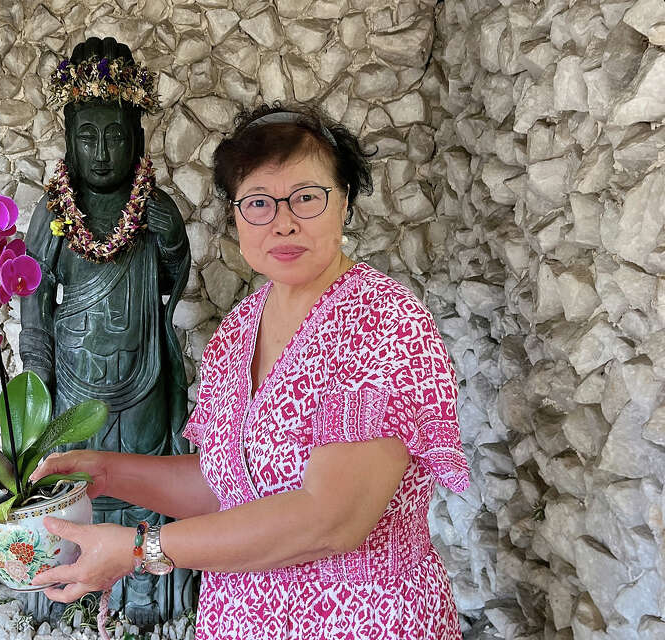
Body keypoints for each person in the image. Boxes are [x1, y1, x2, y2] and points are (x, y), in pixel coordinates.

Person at [31, 103, 471, 640]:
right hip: (244, 617)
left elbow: (330, 521)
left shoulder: (383, 322)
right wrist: (103, 470)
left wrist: (139, 551)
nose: (283, 221)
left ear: (346, 203)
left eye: (307, 198)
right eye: (258, 203)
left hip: (364, 619)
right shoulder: (239, 330)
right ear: (236, 216)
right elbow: (226, 486)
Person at [19, 37, 193, 624]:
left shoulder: (153, 209)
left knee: (146, 477)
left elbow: (173, 281)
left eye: (115, 136)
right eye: (88, 136)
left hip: (141, 369)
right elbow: (32, 297)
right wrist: (35, 382)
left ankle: (145, 594)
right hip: (73, 374)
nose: (100, 152)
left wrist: (169, 237)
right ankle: (66, 591)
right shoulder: (55, 211)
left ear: (138, 140)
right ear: (69, 139)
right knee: (71, 482)